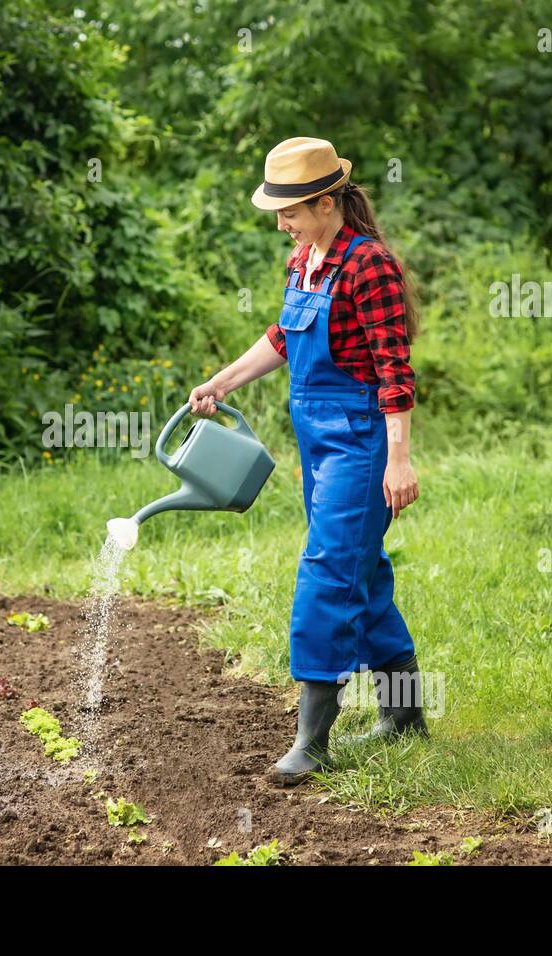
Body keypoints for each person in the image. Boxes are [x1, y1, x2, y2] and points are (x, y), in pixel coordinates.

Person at [188, 137, 429, 785]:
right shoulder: (305, 261)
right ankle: (405, 715)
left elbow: (393, 371)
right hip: (318, 448)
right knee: (364, 572)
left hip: (361, 442)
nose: (280, 222)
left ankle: (313, 741)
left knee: (325, 572)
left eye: (290, 210)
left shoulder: (368, 265)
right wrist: (222, 382)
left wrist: (398, 462)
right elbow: (281, 337)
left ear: (327, 202)